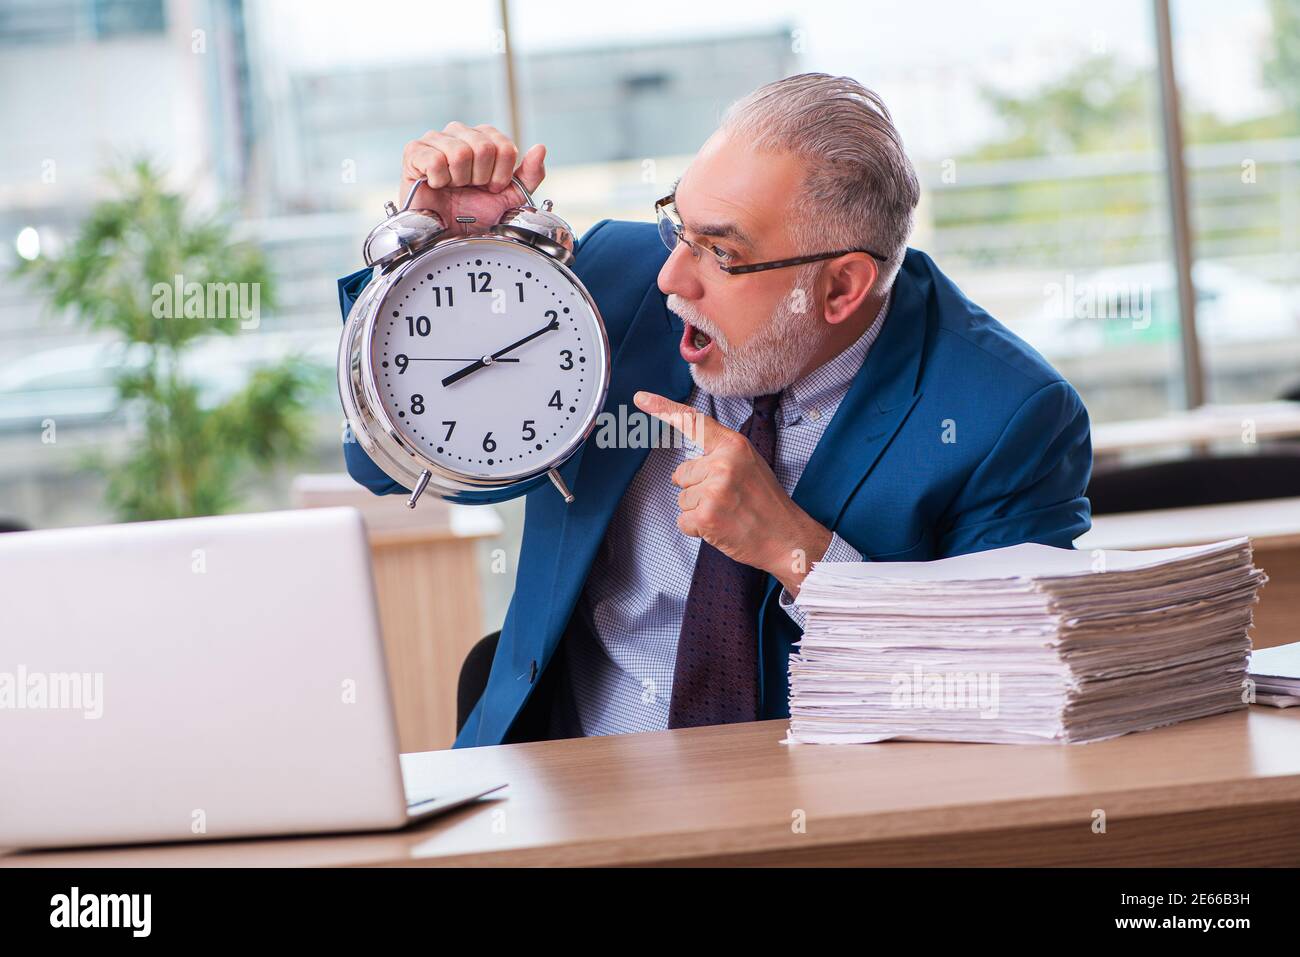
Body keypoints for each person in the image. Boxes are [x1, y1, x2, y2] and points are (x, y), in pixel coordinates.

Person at [338, 73, 1093, 748]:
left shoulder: (1009, 415)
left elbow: (1008, 692)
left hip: (824, 824)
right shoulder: (604, 290)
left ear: (841, 287)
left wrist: (799, 552)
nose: (673, 277)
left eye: (720, 254)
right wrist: (425, 262)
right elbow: (380, 464)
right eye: (677, 226)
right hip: (558, 792)